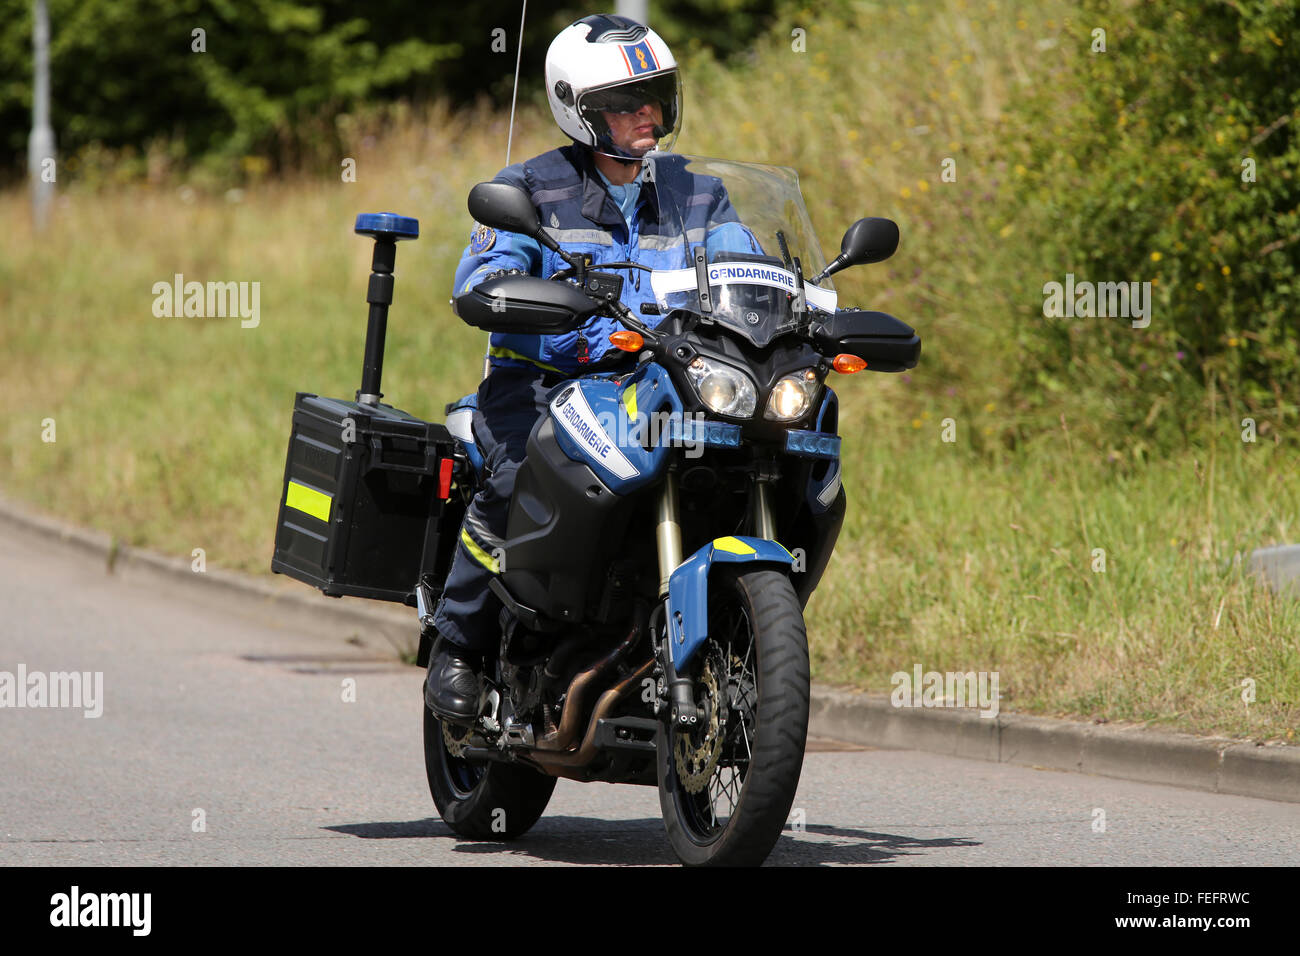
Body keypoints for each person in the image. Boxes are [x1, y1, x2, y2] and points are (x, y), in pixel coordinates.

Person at [425, 13, 751, 722]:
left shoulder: (699, 193)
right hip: (543, 386)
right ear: (580, 109)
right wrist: (521, 297)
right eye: (627, 102)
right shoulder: (531, 190)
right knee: (515, 478)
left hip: (663, 383)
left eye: (657, 95)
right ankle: (460, 644)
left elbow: (744, 267)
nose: (648, 114)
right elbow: (483, 280)